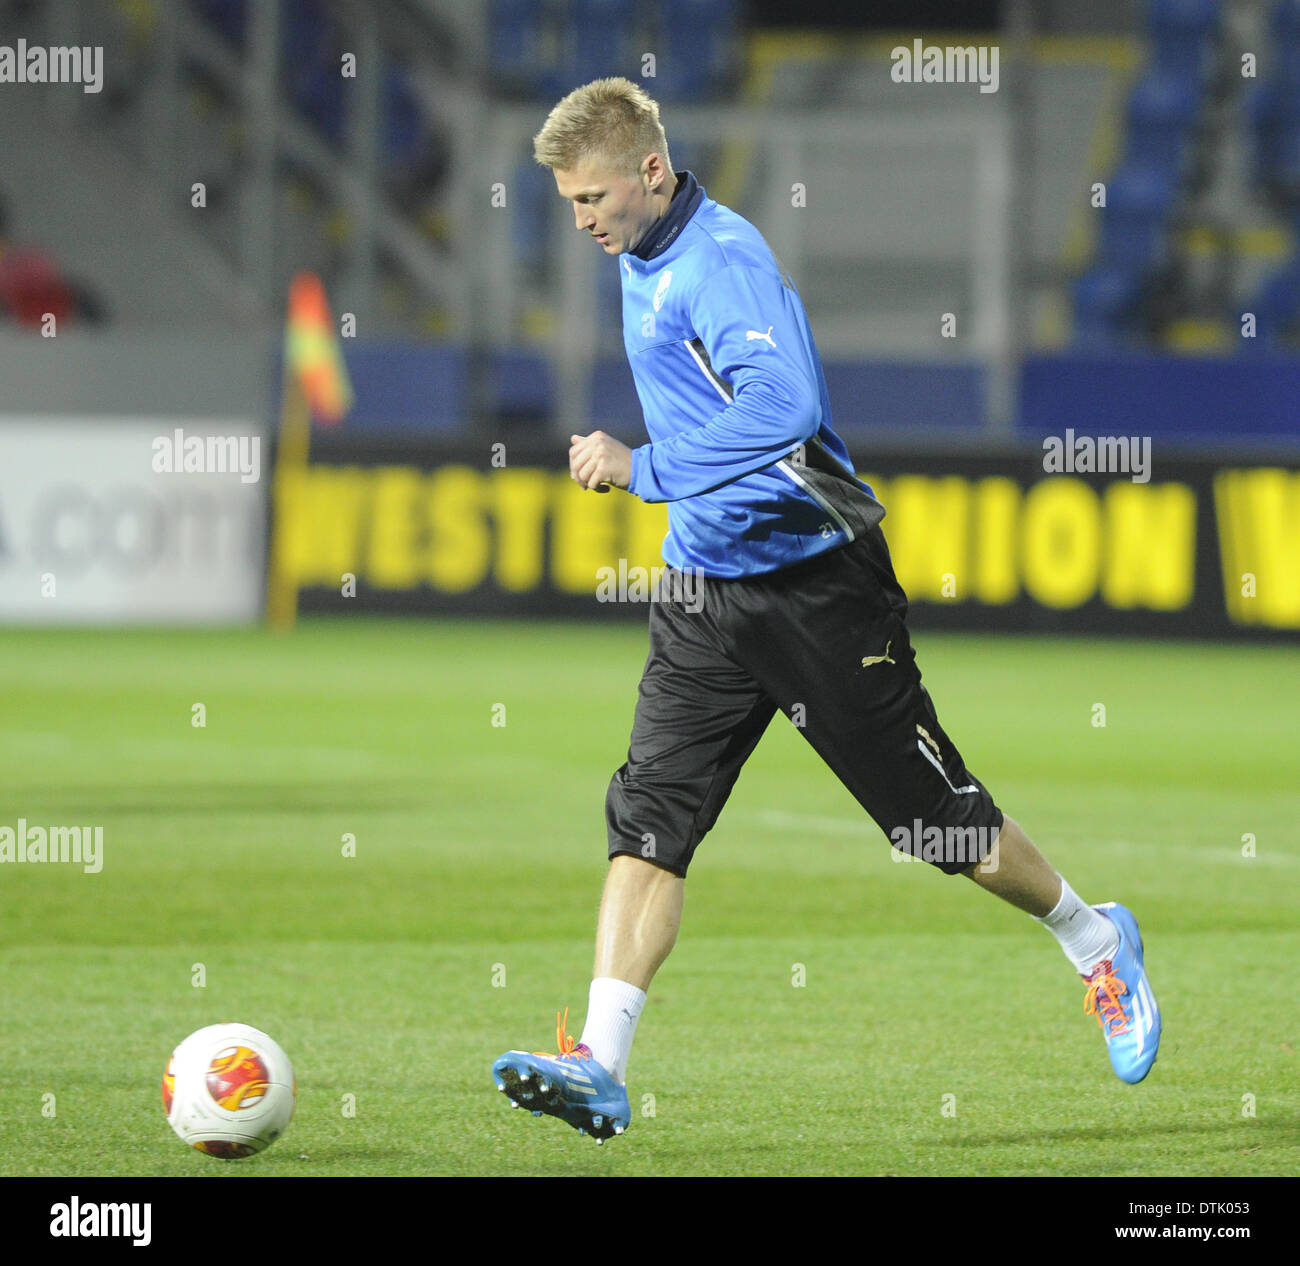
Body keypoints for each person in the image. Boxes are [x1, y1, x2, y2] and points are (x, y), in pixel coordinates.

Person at [491, 78, 1160, 1143]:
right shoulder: (642, 248)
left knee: (935, 826)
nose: (581, 222)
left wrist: (646, 464)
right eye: (570, 203)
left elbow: (784, 405)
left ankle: (1092, 939)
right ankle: (600, 1064)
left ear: (651, 174)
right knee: (650, 819)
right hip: (706, 593)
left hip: (816, 582)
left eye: (592, 199)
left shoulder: (720, 263)